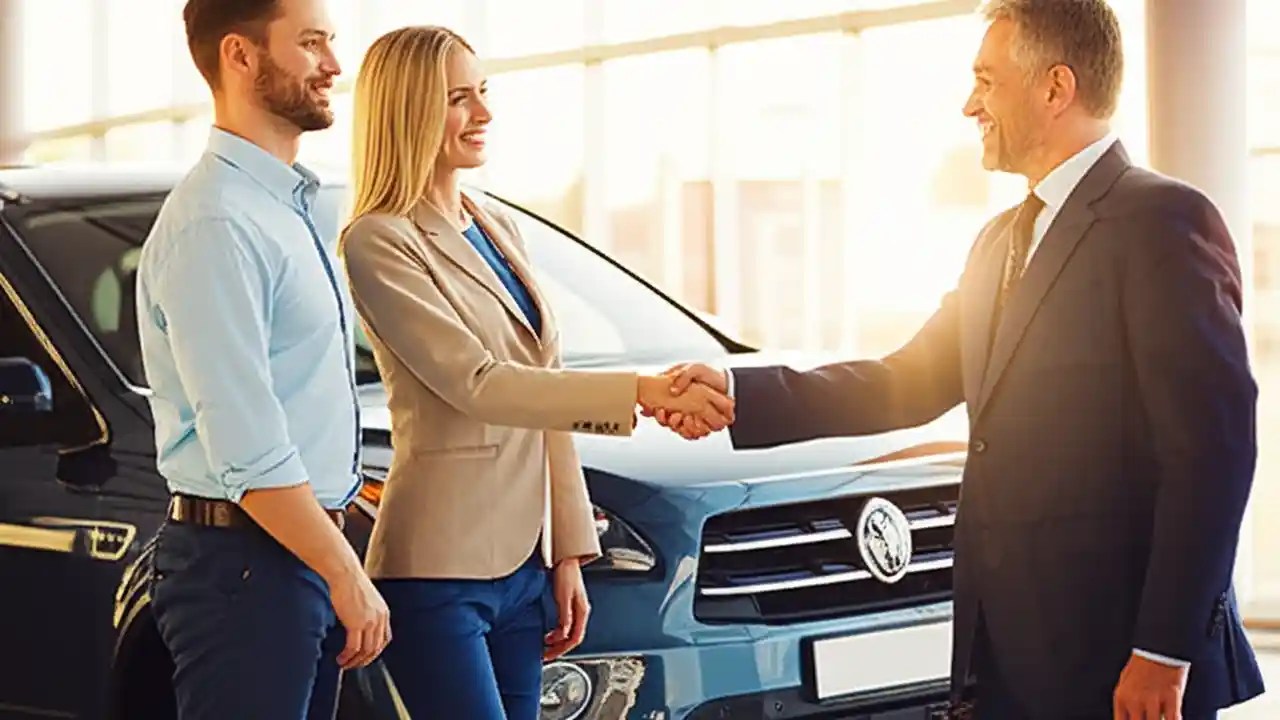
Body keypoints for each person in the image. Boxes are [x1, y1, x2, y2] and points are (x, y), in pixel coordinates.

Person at [654, 1, 1265, 718]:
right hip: (1007, 652)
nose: (969, 103)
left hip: (1121, 661)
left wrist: (1165, 651)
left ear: (1055, 87)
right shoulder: (999, 240)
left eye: (987, 80)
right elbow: (903, 382)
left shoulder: (1163, 221)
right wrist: (734, 392)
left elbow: (1213, 455)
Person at [337, 25, 733, 720]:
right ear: (407, 109)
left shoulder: (494, 225)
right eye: (460, 98)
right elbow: (480, 383)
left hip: (525, 568)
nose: (484, 114)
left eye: (483, 92)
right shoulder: (378, 241)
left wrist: (570, 555)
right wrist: (639, 392)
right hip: (438, 567)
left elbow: (543, 385)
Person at [135, 1, 390, 717]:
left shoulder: (283, 207)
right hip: (247, 568)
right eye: (311, 45)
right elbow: (245, 438)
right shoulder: (217, 220)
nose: (334, 66)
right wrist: (344, 570)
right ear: (241, 56)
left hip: (289, 557)